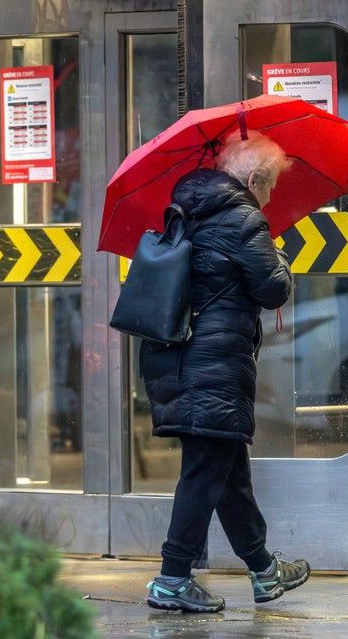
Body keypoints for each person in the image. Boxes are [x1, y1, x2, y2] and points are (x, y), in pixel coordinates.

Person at [142, 132, 310, 612]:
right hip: (213, 363)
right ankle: (172, 579)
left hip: (182, 357)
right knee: (205, 470)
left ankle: (263, 570)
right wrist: (279, 254)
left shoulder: (187, 212)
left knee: (227, 468)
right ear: (254, 178)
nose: (272, 193)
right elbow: (273, 291)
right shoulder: (242, 218)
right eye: (271, 184)